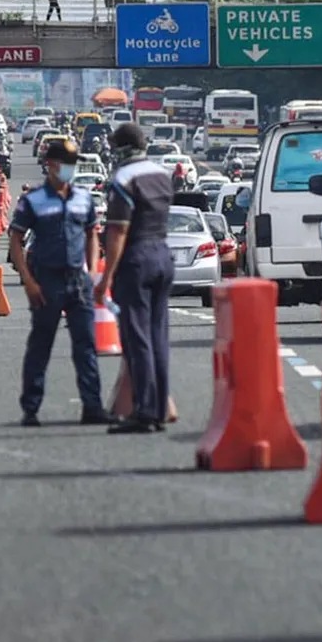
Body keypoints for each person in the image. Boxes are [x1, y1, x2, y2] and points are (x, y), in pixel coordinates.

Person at [8, 137, 110, 427]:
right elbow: (15, 239)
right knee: (41, 344)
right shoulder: (34, 200)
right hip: (46, 280)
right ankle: (30, 408)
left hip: (78, 280)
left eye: (72, 164)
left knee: (86, 345)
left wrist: (92, 272)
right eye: (65, 164)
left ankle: (92, 406)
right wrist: (27, 280)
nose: (69, 169)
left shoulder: (83, 198)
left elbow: (92, 233)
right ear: (50, 166)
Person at [93, 122, 176, 434]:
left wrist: (106, 279)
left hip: (137, 258)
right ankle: (157, 408)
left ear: (122, 148)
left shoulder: (122, 179)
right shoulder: (161, 173)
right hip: (163, 255)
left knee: (137, 338)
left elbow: (118, 231)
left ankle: (144, 411)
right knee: (158, 336)